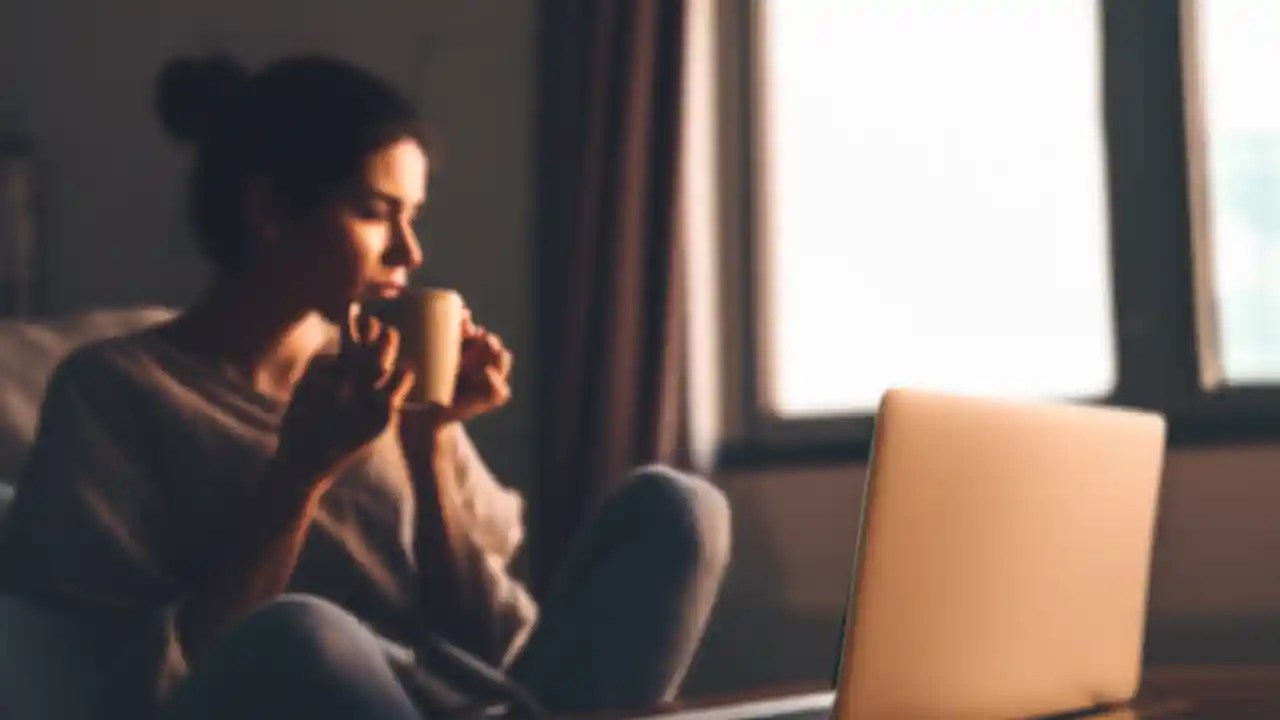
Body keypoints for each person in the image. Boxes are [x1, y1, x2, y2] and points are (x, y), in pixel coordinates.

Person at [0, 54, 730, 719]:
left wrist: (431, 445)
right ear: (271, 211)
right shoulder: (114, 393)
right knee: (301, 631)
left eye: (413, 218)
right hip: (285, 691)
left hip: (472, 703)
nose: (409, 252)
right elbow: (143, 683)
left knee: (679, 508)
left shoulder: (379, 370)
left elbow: (488, 648)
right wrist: (300, 474)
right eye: (377, 214)